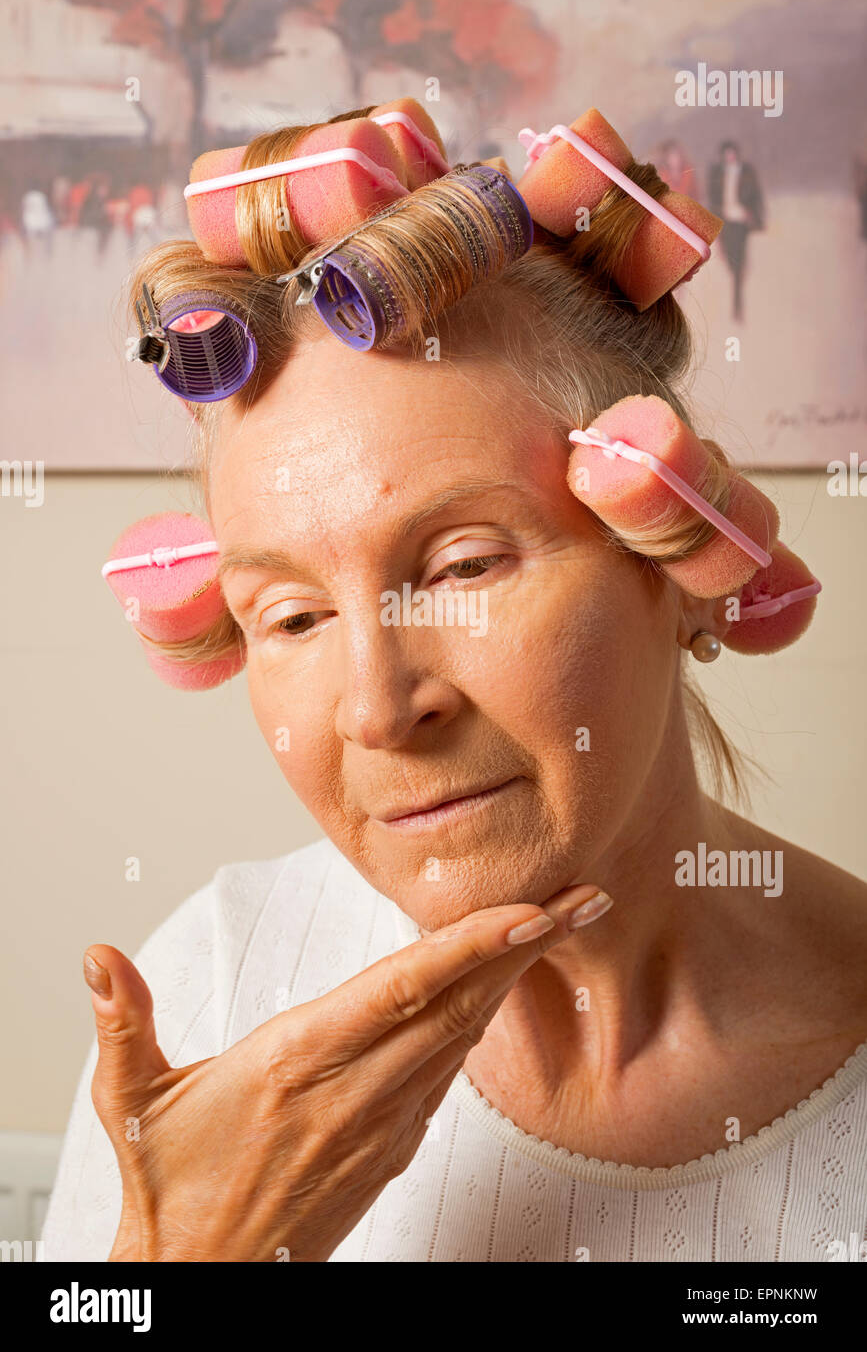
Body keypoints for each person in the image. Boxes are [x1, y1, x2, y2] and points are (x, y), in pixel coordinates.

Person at [40, 103, 867, 1264]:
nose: (380, 708)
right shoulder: (208, 983)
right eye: (292, 615)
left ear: (675, 555)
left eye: (466, 564)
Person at [707, 140, 765, 322]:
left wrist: (756, 217)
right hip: (725, 221)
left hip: (741, 222)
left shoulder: (747, 172)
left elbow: (757, 195)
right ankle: (737, 282)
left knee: (738, 261)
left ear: (736, 154)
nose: (729, 157)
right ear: (723, 155)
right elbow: (712, 197)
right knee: (730, 260)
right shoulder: (717, 173)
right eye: (726, 153)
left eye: (732, 153)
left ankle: (737, 304)